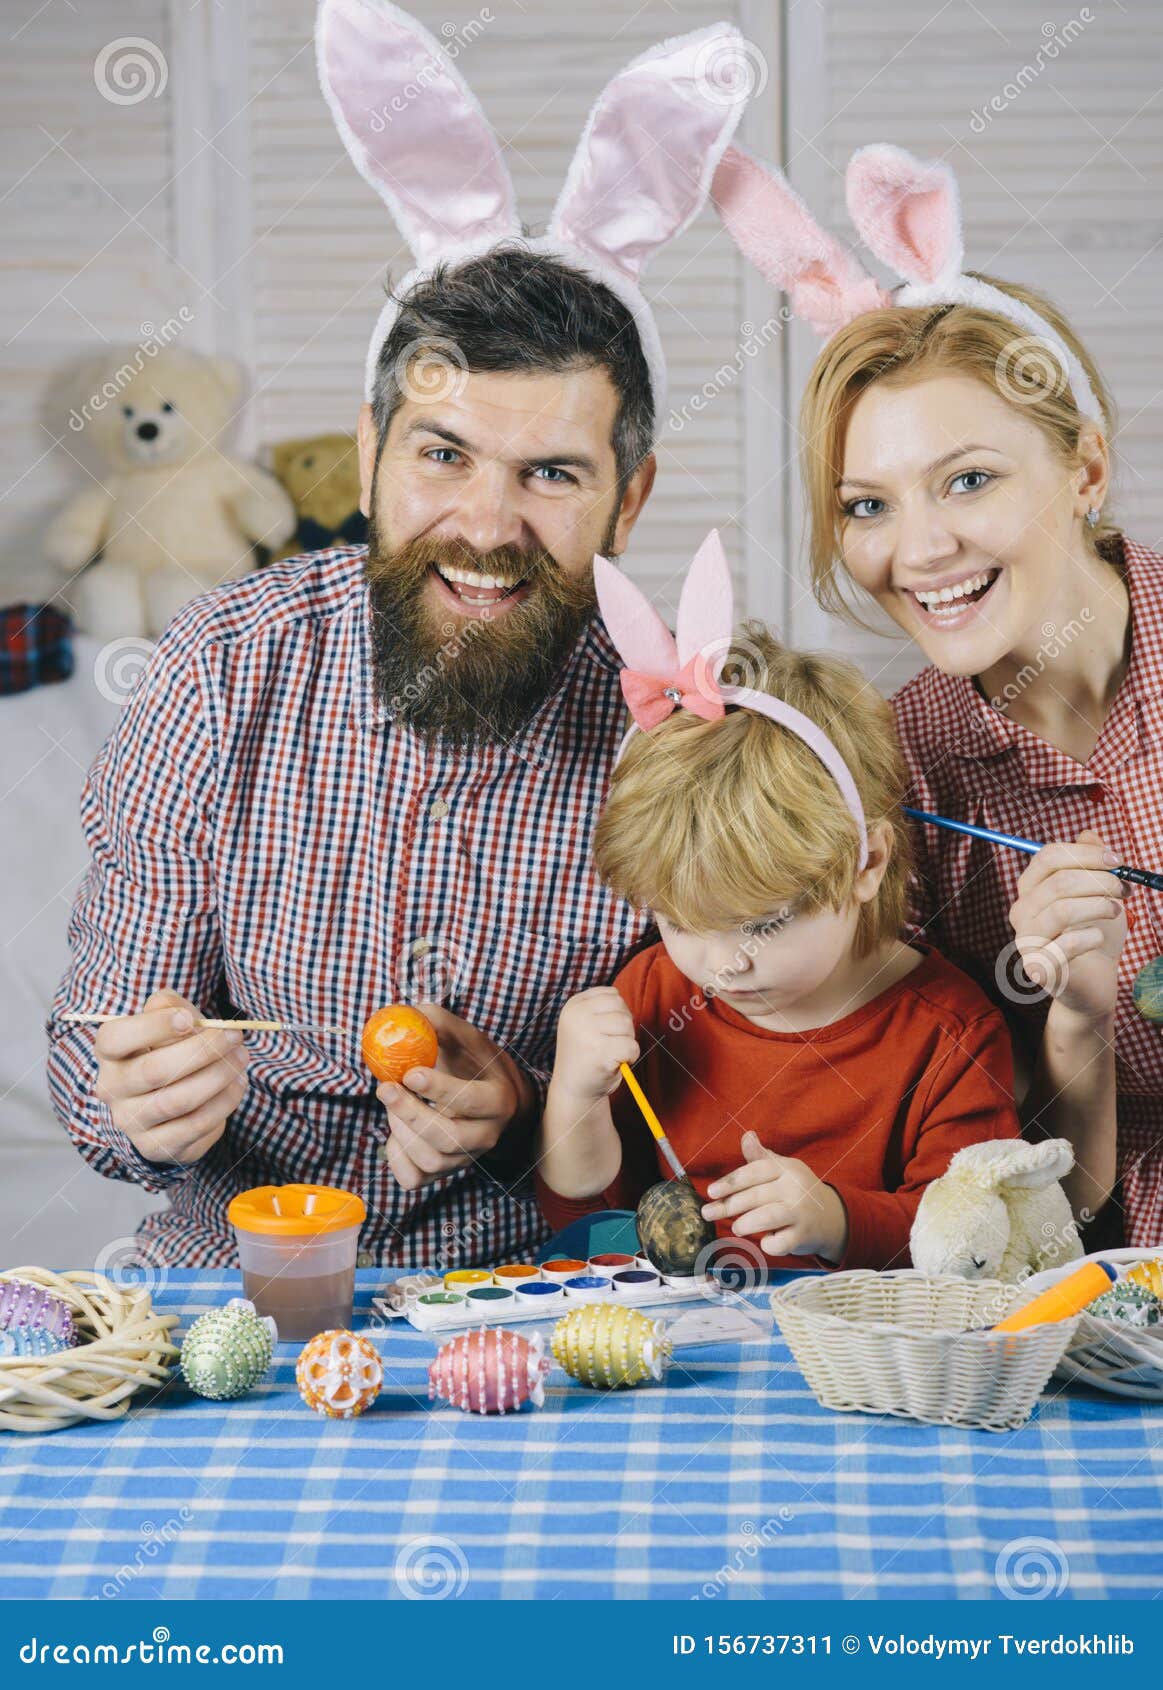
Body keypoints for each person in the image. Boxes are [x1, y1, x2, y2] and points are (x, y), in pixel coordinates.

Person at [44, 11, 752, 1266]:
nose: (484, 525)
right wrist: (138, 1105)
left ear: (627, 502)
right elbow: (93, 1053)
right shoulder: (220, 667)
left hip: (537, 1290)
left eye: (549, 473)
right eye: (441, 454)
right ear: (370, 455)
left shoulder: (685, 723)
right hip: (232, 1275)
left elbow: (730, 1097)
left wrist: (528, 1113)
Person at [714, 140, 1160, 1247]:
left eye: (967, 479)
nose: (917, 550)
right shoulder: (894, 773)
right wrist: (1077, 1017)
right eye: (865, 506)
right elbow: (1038, 1199)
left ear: (1084, 470)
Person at [535, 534, 1022, 1270]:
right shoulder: (653, 995)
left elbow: (982, 1241)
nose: (723, 964)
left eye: (763, 923)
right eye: (679, 922)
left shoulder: (948, 1036)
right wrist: (573, 1096)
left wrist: (838, 1219)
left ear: (866, 863)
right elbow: (585, 1227)